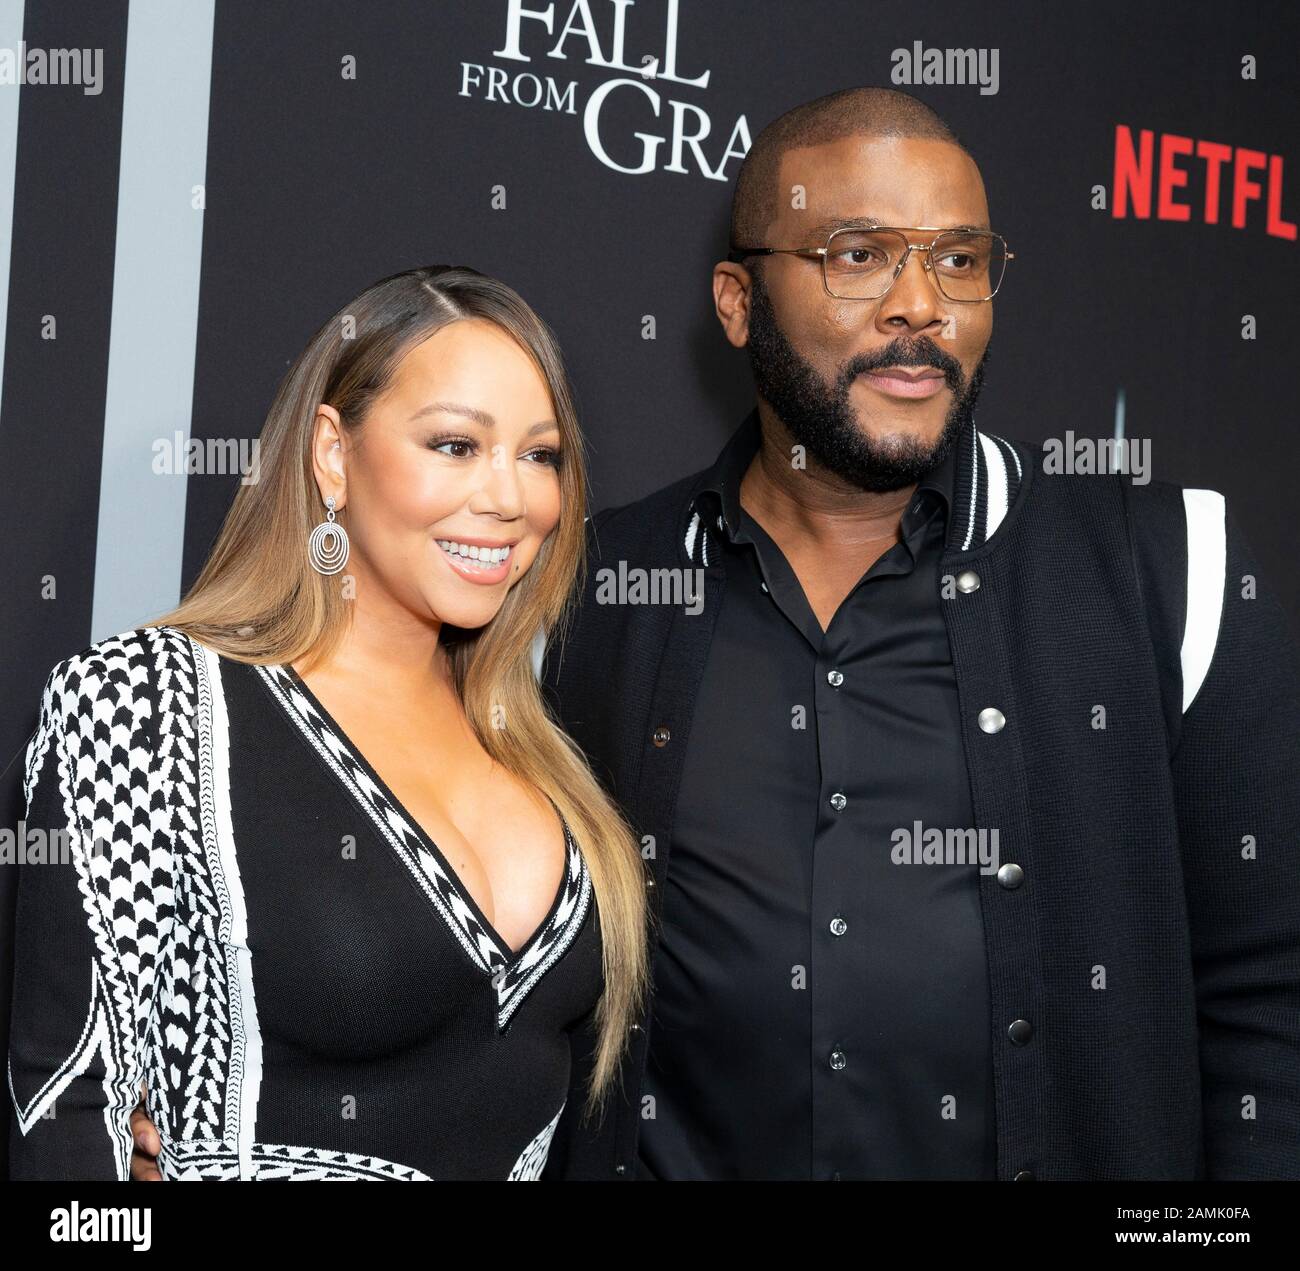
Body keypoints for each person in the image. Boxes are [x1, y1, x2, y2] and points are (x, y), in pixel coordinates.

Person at [537, 87, 1300, 1180]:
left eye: (959, 260)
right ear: (738, 300)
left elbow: (1271, 1002)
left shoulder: (1171, 573)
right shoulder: (590, 592)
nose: (920, 305)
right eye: (858, 254)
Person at [8, 265, 649, 1181]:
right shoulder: (147, 704)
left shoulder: (535, 746)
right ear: (332, 454)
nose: (512, 498)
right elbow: (62, 1124)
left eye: (541, 455)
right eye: (457, 445)